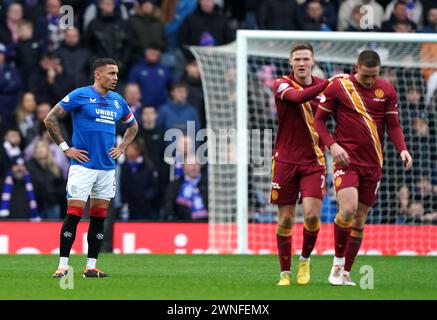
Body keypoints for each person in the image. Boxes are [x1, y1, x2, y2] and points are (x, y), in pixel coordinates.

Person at [314, 50, 413, 286]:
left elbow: (393, 126)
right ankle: (336, 266)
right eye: (366, 75)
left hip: (373, 163)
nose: (369, 80)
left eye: (374, 76)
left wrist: (403, 149)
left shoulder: (386, 90)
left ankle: (346, 272)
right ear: (356, 68)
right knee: (347, 209)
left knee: (359, 220)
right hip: (346, 161)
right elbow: (319, 121)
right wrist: (333, 146)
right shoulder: (339, 86)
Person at [44, 58, 138, 278]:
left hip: (107, 168)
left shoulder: (117, 101)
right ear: (98, 74)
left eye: (116, 74)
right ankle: (63, 266)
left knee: (98, 217)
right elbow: (50, 119)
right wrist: (66, 148)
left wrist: (122, 147)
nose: (115, 78)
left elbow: (133, 126)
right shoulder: (80, 95)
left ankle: (91, 266)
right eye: (111, 73)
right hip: (83, 166)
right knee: (74, 215)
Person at [270, 42, 347, 286]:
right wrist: (328, 82)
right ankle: (285, 272)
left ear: (312, 61)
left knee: (312, 217)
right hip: (284, 161)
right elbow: (299, 96)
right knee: (285, 220)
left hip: (314, 161)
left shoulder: (326, 92)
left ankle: (304, 260)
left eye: (306, 59)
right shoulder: (282, 84)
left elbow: (343, 117)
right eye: (298, 59)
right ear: (290, 62)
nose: (302, 63)